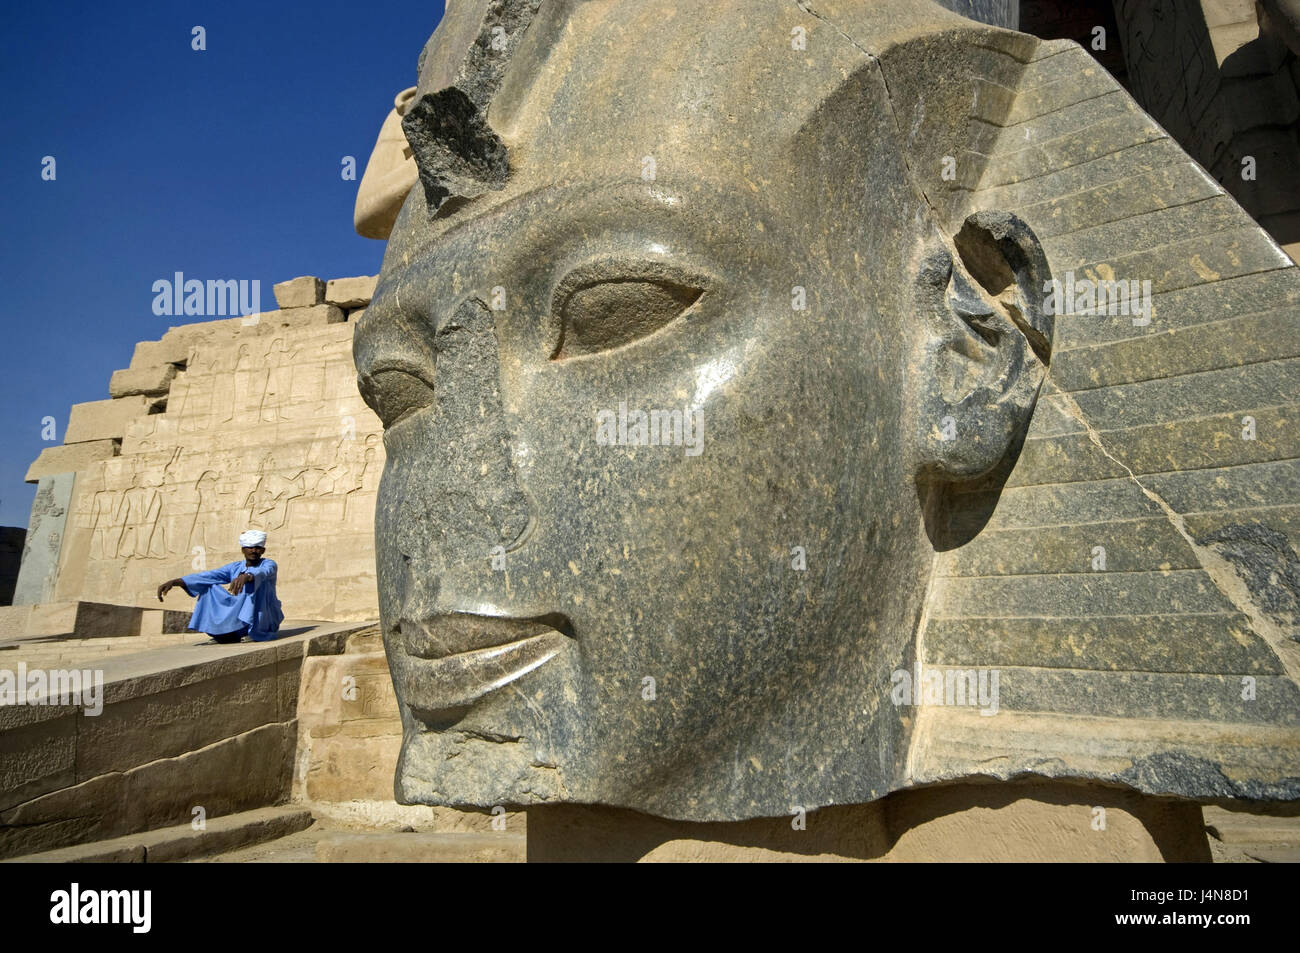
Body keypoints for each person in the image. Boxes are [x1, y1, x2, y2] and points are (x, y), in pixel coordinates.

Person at [157, 531, 284, 643]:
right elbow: (209, 576)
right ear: (243, 550)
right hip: (239, 617)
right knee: (208, 586)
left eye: (257, 547)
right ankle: (220, 632)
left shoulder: (269, 564)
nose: (253, 551)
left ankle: (252, 631)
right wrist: (176, 582)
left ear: (262, 550)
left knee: (256, 584)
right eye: (249, 547)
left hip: (262, 619)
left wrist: (248, 576)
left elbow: (263, 572)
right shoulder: (234, 567)